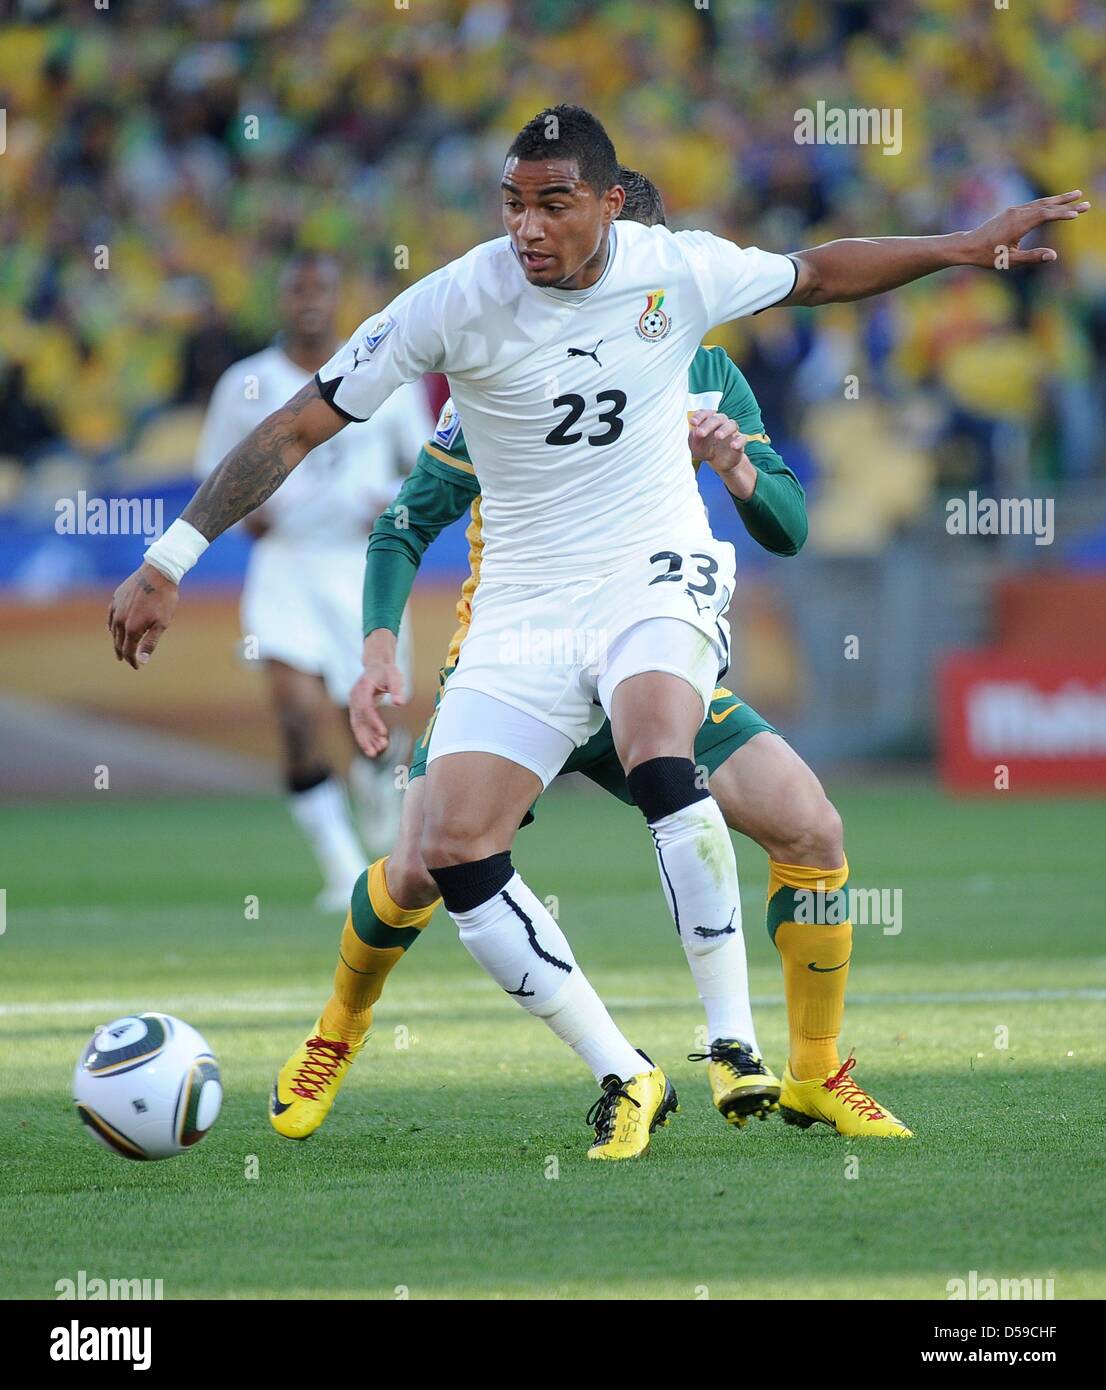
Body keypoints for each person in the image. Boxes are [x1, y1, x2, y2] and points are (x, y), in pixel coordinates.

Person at [109, 104, 1088, 1160]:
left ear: (614, 212)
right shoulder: (456, 310)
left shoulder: (689, 305)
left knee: (785, 813)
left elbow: (820, 278)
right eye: (512, 204)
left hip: (641, 596)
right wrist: (172, 559)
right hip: (520, 624)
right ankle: (508, 1055)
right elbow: (311, 428)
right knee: (427, 858)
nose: (526, 228)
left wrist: (958, 246)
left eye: (553, 205)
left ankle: (761, 1058)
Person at [270, 169, 896, 1148]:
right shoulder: (512, 375)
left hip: (644, 659)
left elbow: (787, 528)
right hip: (519, 657)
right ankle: (332, 1038)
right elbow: (401, 526)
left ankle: (810, 1073)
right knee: (414, 871)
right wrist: (380, 643)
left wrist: (733, 464)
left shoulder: (710, 374)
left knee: (809, 829)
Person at [194, 252, 432, 908]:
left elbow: (424, 464)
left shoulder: (382, 370)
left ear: (337, 294)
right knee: (296, 714)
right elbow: (214, 470)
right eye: (295, 286)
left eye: (318, 286)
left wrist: (385, 498)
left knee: (368, 721)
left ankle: (381, 774)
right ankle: (342, 865)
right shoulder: (247, 383)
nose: (307, 299)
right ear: (280, 299)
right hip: (288, 565)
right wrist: (248, 512)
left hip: (363, 565)